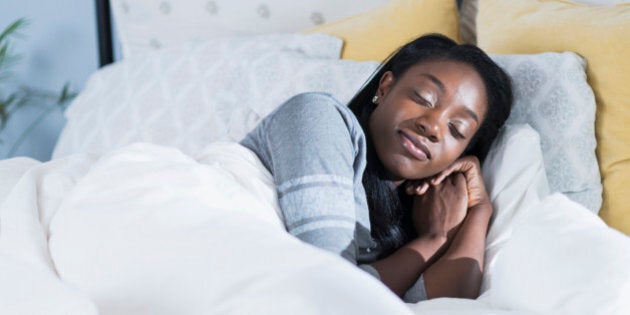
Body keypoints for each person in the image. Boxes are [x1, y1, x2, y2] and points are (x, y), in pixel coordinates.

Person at [240, 34, 512, 302]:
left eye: (456, 130)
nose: (433, 127)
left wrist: (479, 211)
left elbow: (444, 307)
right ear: (384, 88)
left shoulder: (415, 212)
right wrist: (433, 240)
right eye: (423, 98)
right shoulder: (318, 118)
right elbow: (330, 292)